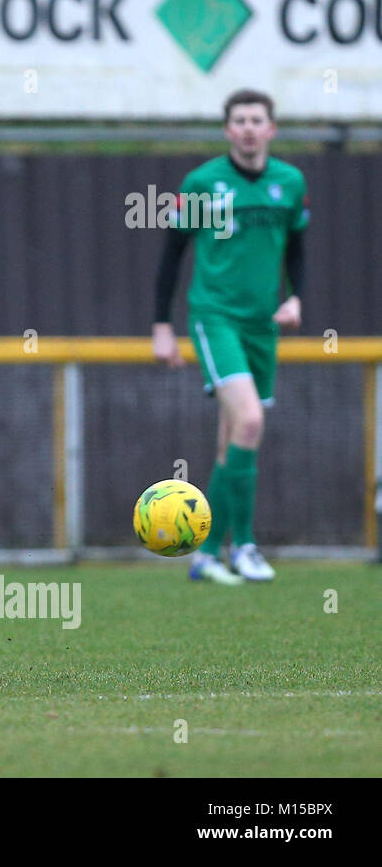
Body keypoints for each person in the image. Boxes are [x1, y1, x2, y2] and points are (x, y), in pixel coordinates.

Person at [152, 89, 308, 584]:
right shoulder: (204, 182)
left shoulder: (290, 181)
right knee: (251, 422)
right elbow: (172, 253)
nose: (246, 127)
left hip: (262, 324)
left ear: (270, 129)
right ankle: (244, 546)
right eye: (238, 119)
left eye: (255, 119)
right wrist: (161, 325)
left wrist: (295, 298)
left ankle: (203, 557)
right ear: (227, 130)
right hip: (214, 315)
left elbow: (297, 249)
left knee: (235, 439)